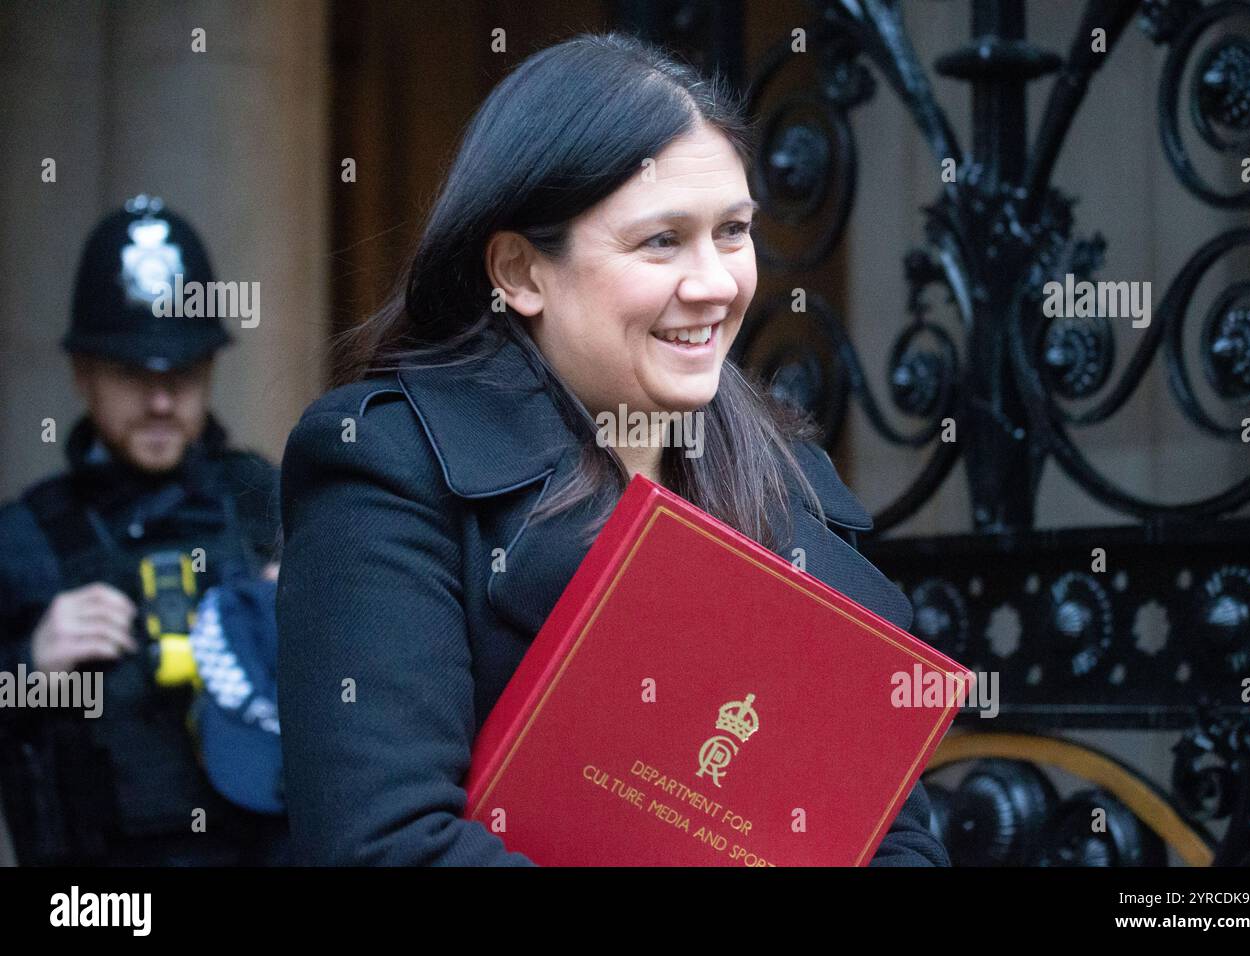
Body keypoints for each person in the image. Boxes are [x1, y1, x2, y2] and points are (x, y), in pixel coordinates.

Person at [276, 32, 950, 867]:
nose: (714, 283)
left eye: (732, 231)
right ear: (520, 271)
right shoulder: (385, 466)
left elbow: (895, 837)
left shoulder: (792, 482)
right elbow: (384, 845)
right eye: (661, 241)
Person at [0, 195, 290, 865]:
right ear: (82, 374)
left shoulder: (271, 506)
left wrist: (307, 620)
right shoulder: (25, 541)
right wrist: (28, 665)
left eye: (183, 374)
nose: (161, 402)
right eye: (134, 375)